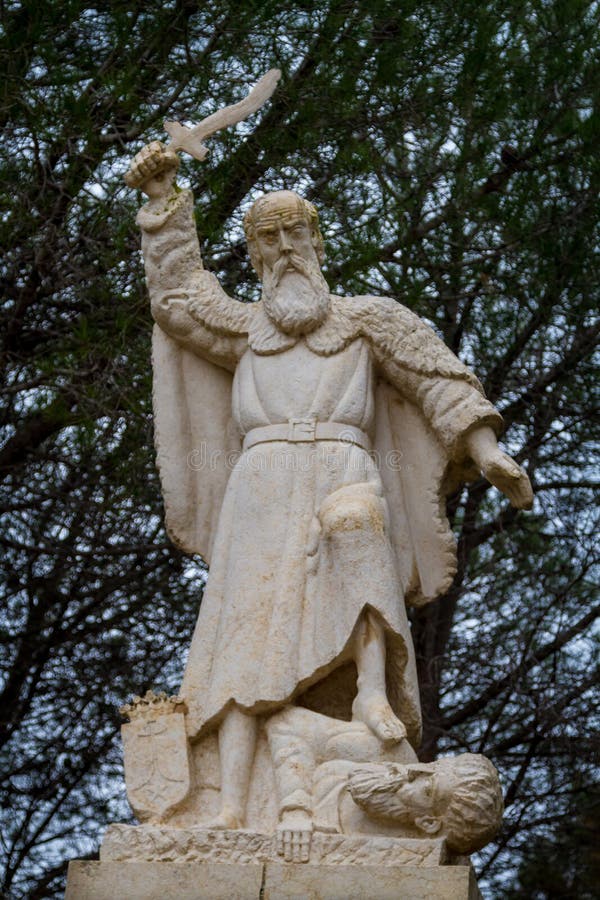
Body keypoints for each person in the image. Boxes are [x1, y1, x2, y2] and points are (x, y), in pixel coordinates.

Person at [126, 141, 532, 831]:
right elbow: (176, 300)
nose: (285, 248)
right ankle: (229, 804)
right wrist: (165, 203)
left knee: (357, 527)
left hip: (344, 468)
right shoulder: (243, 330)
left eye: (296, 233)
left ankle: (371, 694)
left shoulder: (368, 320)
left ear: (317, 241)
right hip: (260, 490)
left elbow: (435, 374)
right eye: (269, 238)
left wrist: (485, 447)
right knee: (245, 641)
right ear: (253, 253)